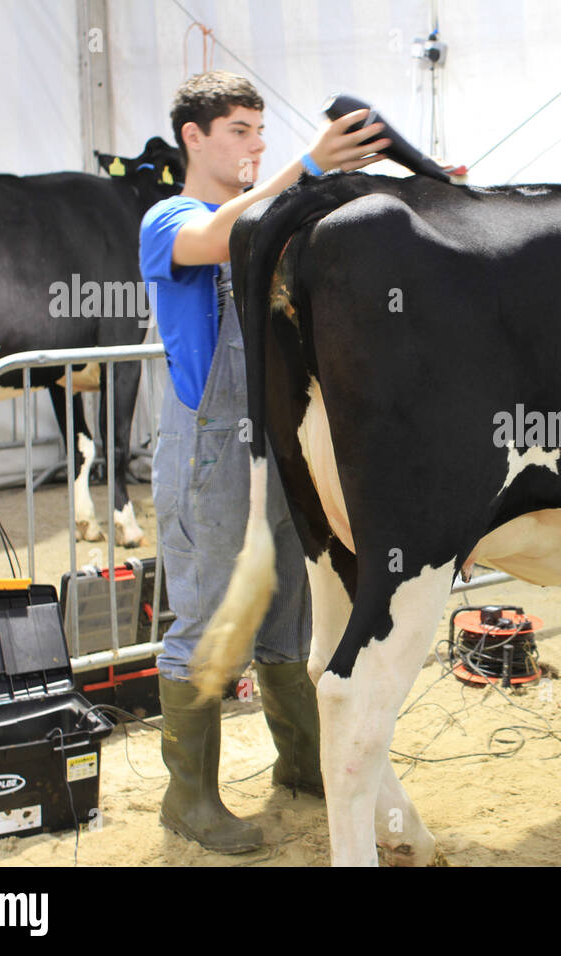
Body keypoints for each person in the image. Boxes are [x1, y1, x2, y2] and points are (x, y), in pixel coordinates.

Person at [138, 70, 390, 853]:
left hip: (275, 441)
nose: (255, 144)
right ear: (195, 137)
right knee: (209, 618)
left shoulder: (274, 219)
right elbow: (220, 241)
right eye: (240, 131)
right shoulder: (169, 217)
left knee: (288, 613)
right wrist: (306, 170)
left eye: (260, 131)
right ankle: (189, 801)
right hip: (206, 449)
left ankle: (301, 765)